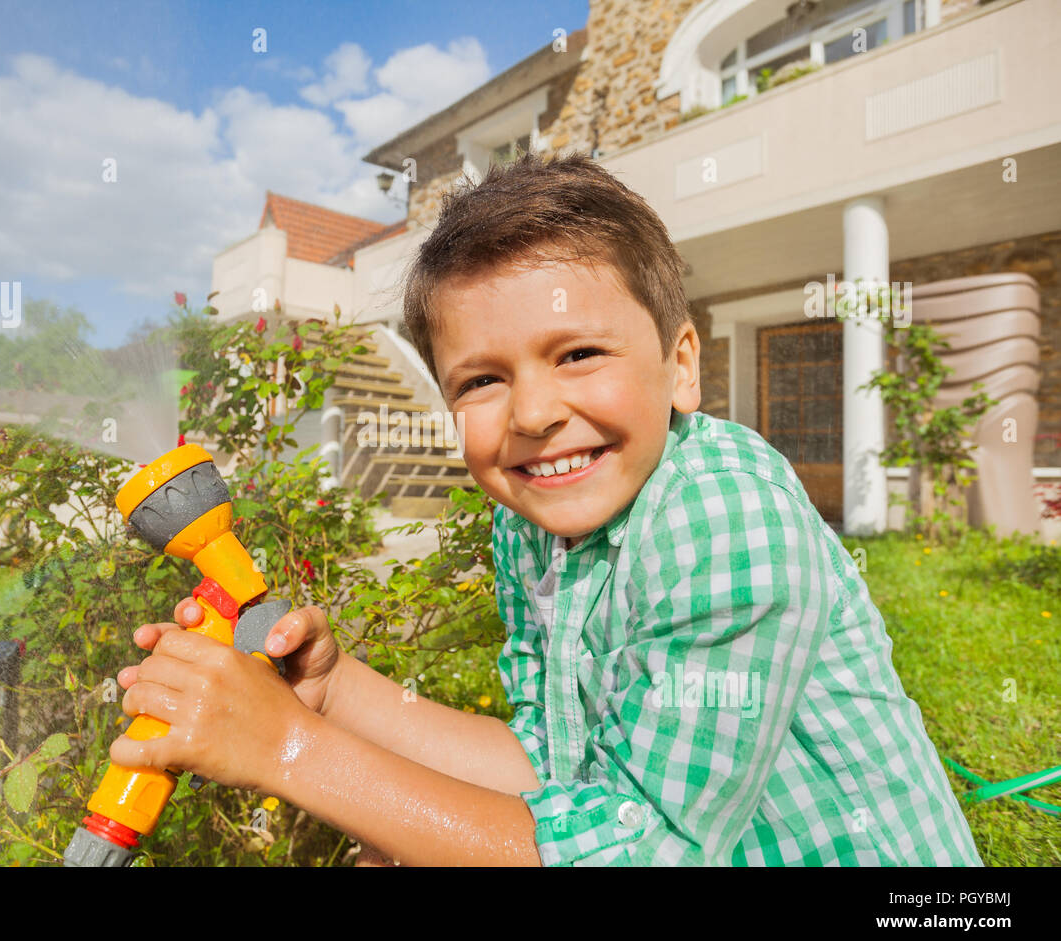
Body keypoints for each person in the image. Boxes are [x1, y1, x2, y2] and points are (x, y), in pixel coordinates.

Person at [112, 153, 982, 866]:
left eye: (577, 352)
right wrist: (331, 695)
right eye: (483, 379)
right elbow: (556, 769)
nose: (531, 415)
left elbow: (646, 853)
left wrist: (289, 753)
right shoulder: (532, 520)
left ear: (682, 366)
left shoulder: (722, 515)